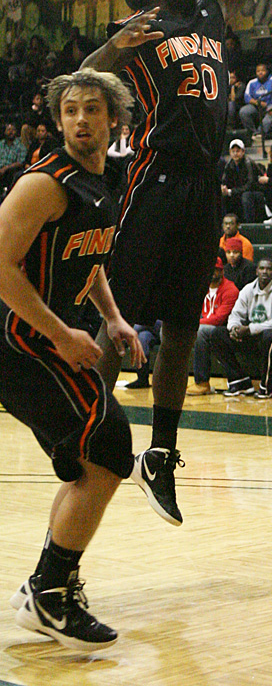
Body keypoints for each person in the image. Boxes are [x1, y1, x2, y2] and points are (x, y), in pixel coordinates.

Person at [80, 0, 272, 525]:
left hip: (204, 185)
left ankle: (160, 451)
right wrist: (111, 51)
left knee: (185, 324)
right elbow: (82, 77)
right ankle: (90, 423)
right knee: (121, 314)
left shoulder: (213, 17)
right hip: (155, 179)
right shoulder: (143, 34)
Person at [0, 69, 143, 651]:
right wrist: (61, 334)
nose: (81, 120)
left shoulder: (107, 181)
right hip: (18, 342)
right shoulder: (45, 184)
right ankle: (49, 594)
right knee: (109, 446)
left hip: (48, 338)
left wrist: (111, 316)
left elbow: (90, 257)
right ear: (58, 121)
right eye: (70, 111)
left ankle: (49, 585)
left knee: (91, 460)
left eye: (92, 109)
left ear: (113, 119)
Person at [211, 257, 272, 399]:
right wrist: (234, 328)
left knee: (270, 336)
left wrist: (249, 329)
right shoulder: (248, 289)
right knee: (218, 334)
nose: (265, 272)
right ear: (256, 271)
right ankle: (239, 381)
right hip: (257, 335)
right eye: (262, 268)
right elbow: (235, 313)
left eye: (269, 269)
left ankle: (267, 385)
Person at [190, 255, 239, 395]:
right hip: (201, 325)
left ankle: (202, 382)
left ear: (222, 271)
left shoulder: (230, 289)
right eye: (210, 269)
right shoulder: (200, 287)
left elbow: (219, 319)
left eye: (216, 269)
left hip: (221, 330)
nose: (212, 272)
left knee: (200, 332)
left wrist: (192, 324)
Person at [221, 139, 264, 222]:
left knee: (246, 196)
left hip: (253, 191)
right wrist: (223, 188)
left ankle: (249, 224)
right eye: (233, 151)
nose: (235, 153)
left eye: (238, 151)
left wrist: (232, 191)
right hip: (238, 190)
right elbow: (224, 180)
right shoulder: (229, 165)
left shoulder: (249, 163)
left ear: (243, 151)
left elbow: (250, 184)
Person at [239, 63, 272, 137]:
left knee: (271, 112)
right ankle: (252, 133)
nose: (260, 72)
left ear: (267, 71)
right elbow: (247, 97)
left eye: (262, 70)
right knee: (244, 111)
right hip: (257, 106)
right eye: (258, 71)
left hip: (271, 105)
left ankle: (260, 133)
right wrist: (258, 103)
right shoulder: (252, 82)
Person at [0, 122, 27, 191]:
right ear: (5, 132)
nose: (11, 132)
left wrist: (6, 168)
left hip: (10, 171)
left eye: (13, 130)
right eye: (8, 130)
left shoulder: (20, 146)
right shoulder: (1, 144)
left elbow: (20, 162)